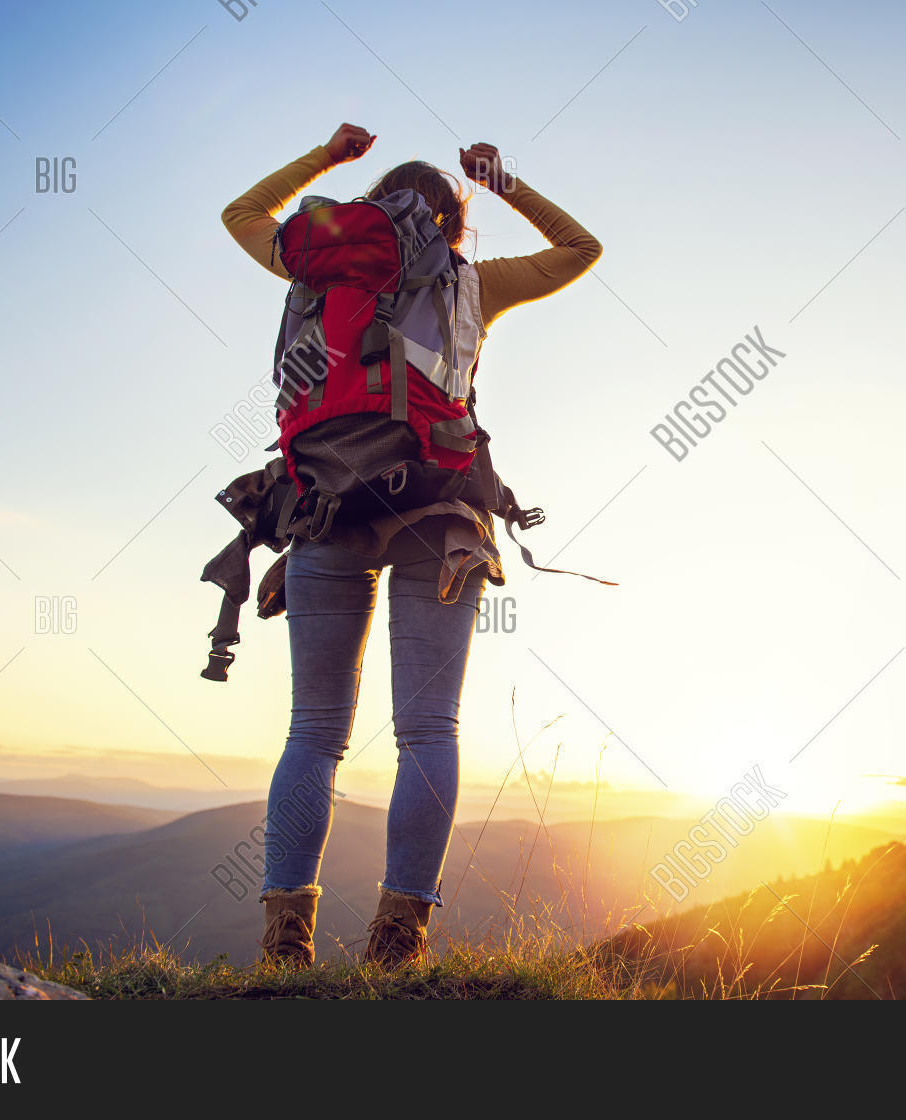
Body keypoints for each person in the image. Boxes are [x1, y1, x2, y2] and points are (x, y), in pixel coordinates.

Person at [221, 123, 601, 967]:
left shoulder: (315, 264)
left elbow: (241, 212)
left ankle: (286, 942)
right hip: (438, 508)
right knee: (427, 729)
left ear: (369, 207)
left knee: (314, 730)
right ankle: (397, 944)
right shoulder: (473, 284)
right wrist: (501, 181)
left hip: (325, 503)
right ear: (452, 226)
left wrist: (324, 158)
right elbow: (582, 249)